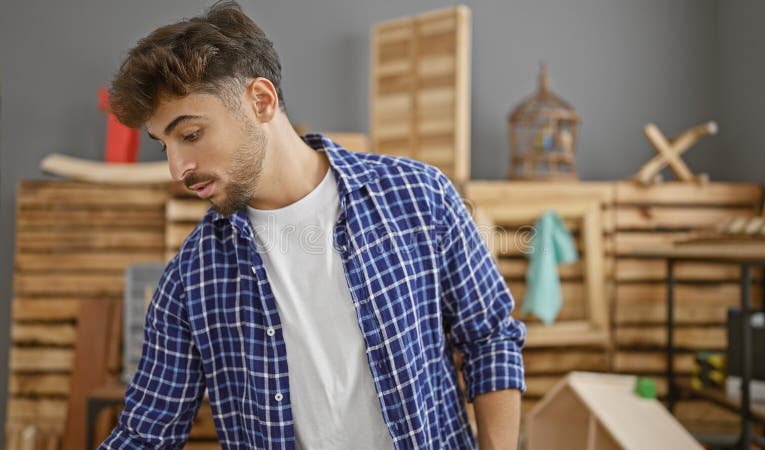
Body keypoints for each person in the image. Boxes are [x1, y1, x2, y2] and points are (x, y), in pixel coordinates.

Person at [100, 1, 526, 449]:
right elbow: (145, 434)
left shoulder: (418, 196)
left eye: (189, 135)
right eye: (164, 145)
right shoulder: (192, 278)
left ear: (260, 101)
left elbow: (489, 336)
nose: (177, 168)